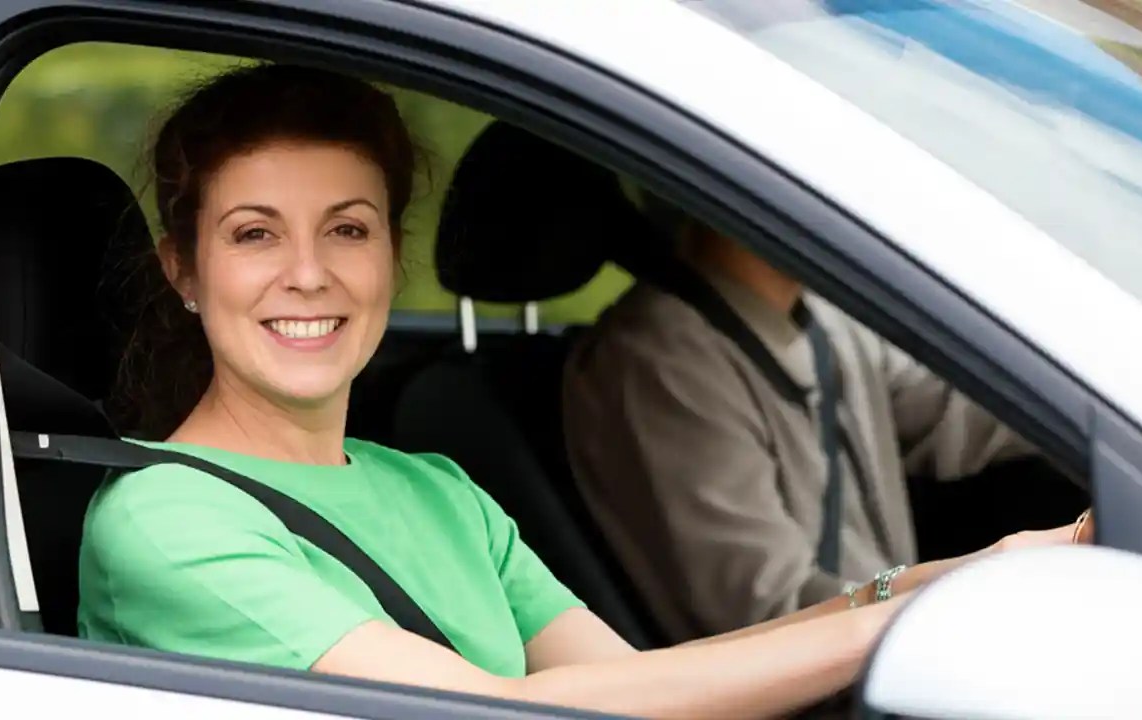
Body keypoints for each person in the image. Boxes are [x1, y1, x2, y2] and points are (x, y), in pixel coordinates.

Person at [79, 62, 1091, 719]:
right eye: (255, 234)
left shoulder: (438, 490)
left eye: (346, 228)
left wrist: (948, 581)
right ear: (183, 271)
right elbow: (506, 713)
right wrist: (893, 628)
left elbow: (625, 685)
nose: (308, 274)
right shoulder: (163, 520)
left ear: (390, 255)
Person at [561, 210, 1060, 645]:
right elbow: (771, 617)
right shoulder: (661, 360)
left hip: (879, 650)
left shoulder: (825, 322)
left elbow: (958, 412)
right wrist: (960, 624)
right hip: (838, 679)